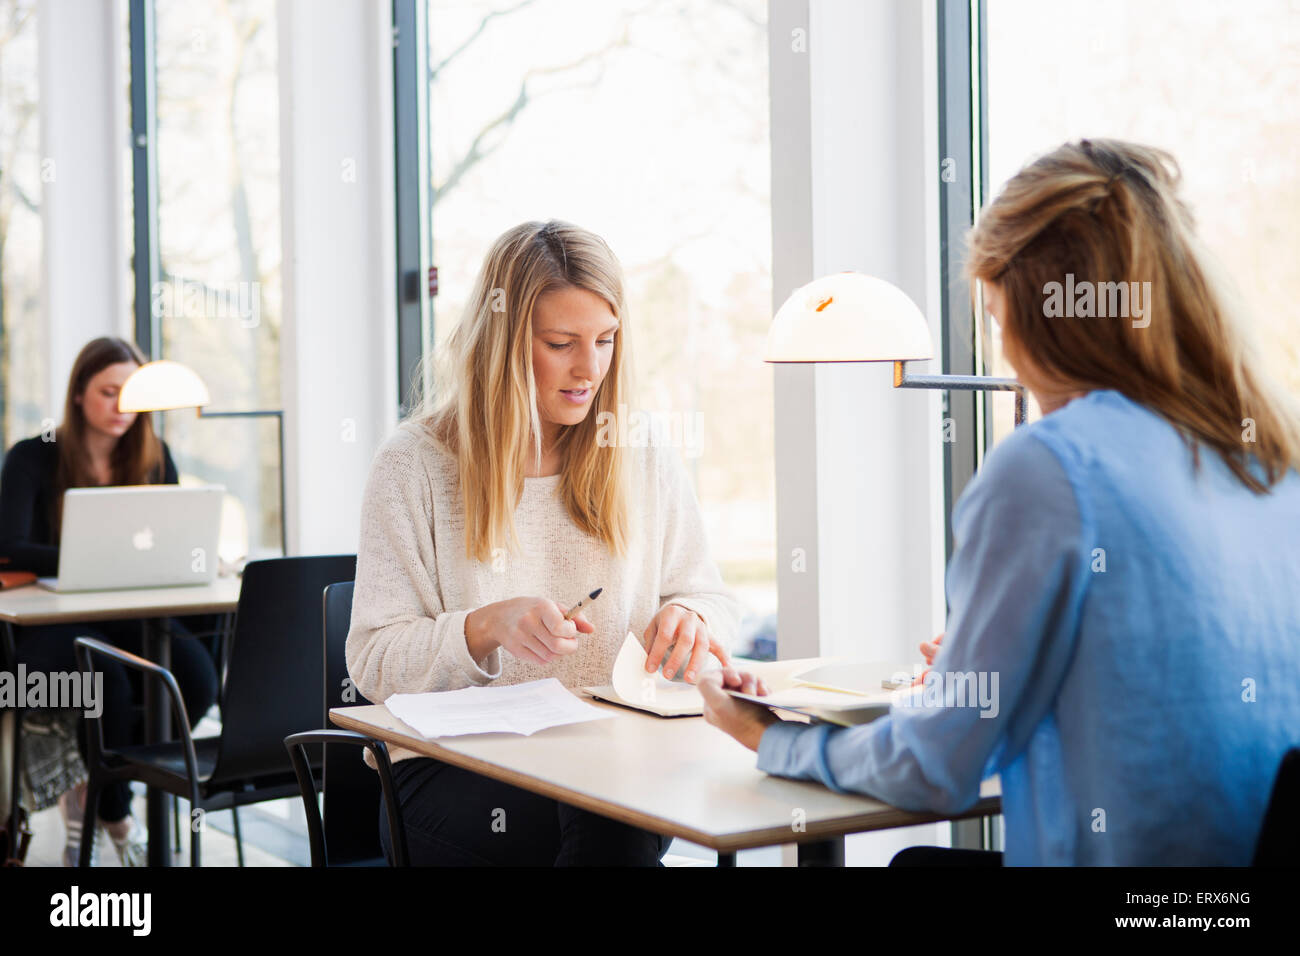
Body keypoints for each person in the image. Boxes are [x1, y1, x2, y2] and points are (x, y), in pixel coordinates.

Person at [698, 138, 1300, 866]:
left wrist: (771, 736)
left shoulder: (1050, 467)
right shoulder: (1270, 456)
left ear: (1025, 309)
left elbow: (934, 768)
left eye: (990, 313)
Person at [347, 220, 739, 866]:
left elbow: (710, 596)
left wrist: (690, 618)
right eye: (561, 344)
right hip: (450, 769)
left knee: (609, 806)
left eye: (607, 341)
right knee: (605, 817)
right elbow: (373, 661)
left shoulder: (635, 449)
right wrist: (483, 628)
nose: (590, 368)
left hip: (608, 754)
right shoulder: (415, 465)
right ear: (502, 342)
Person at [0, 336, 220, 865]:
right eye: (108, 392)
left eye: (131, 394)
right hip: (48, 620)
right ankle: (116, 813)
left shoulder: (155, 456)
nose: (122, 406)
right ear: (79, 394)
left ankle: (99, 784)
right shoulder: (33, 457)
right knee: (106, 680)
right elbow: (7, 545)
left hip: (129, 610)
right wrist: (83, 556)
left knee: (197, 678)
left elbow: (171, 535)